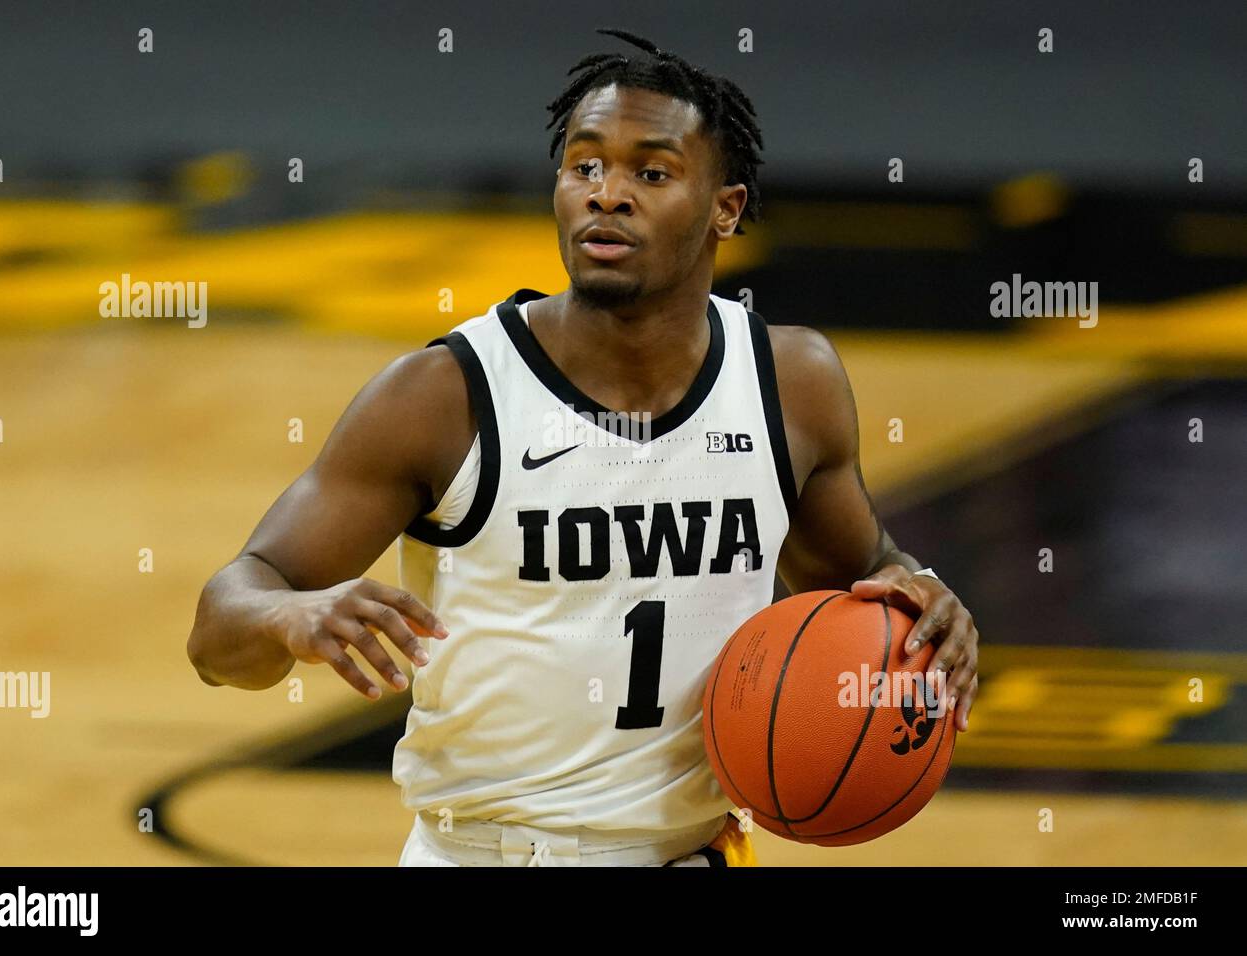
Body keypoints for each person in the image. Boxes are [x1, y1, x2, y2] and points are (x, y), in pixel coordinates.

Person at [186, 28, 980, 867]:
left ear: (727, 209)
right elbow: (218, 631)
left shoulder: (792, 381)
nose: (607, 193)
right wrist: (289, 616)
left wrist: (927, 602)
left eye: (652, 172)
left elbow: (863, 578)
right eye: (585, 165)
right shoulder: (446, 396)